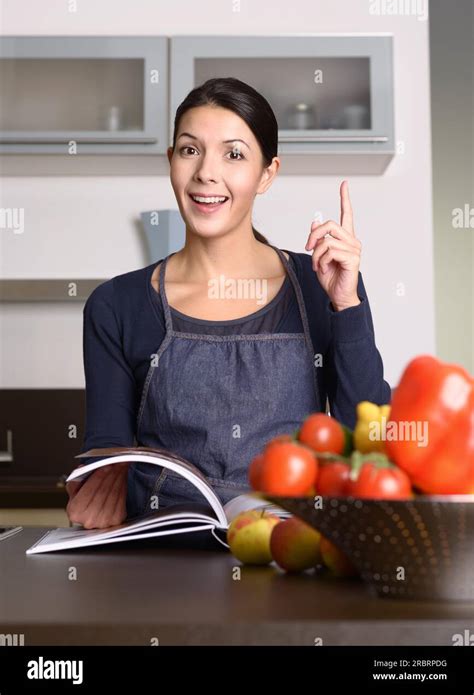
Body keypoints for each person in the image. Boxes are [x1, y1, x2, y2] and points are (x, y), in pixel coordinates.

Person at [66, 77, 391, 530]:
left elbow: (373, 439)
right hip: (163, 562)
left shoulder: (323, 285)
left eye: (233, 154)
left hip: (291, 555)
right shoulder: (114, 306)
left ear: (267, 174)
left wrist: (346, 305)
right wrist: (100, 483)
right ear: (171, 162)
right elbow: (108, 448)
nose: (206, 173)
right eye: (189, 149)